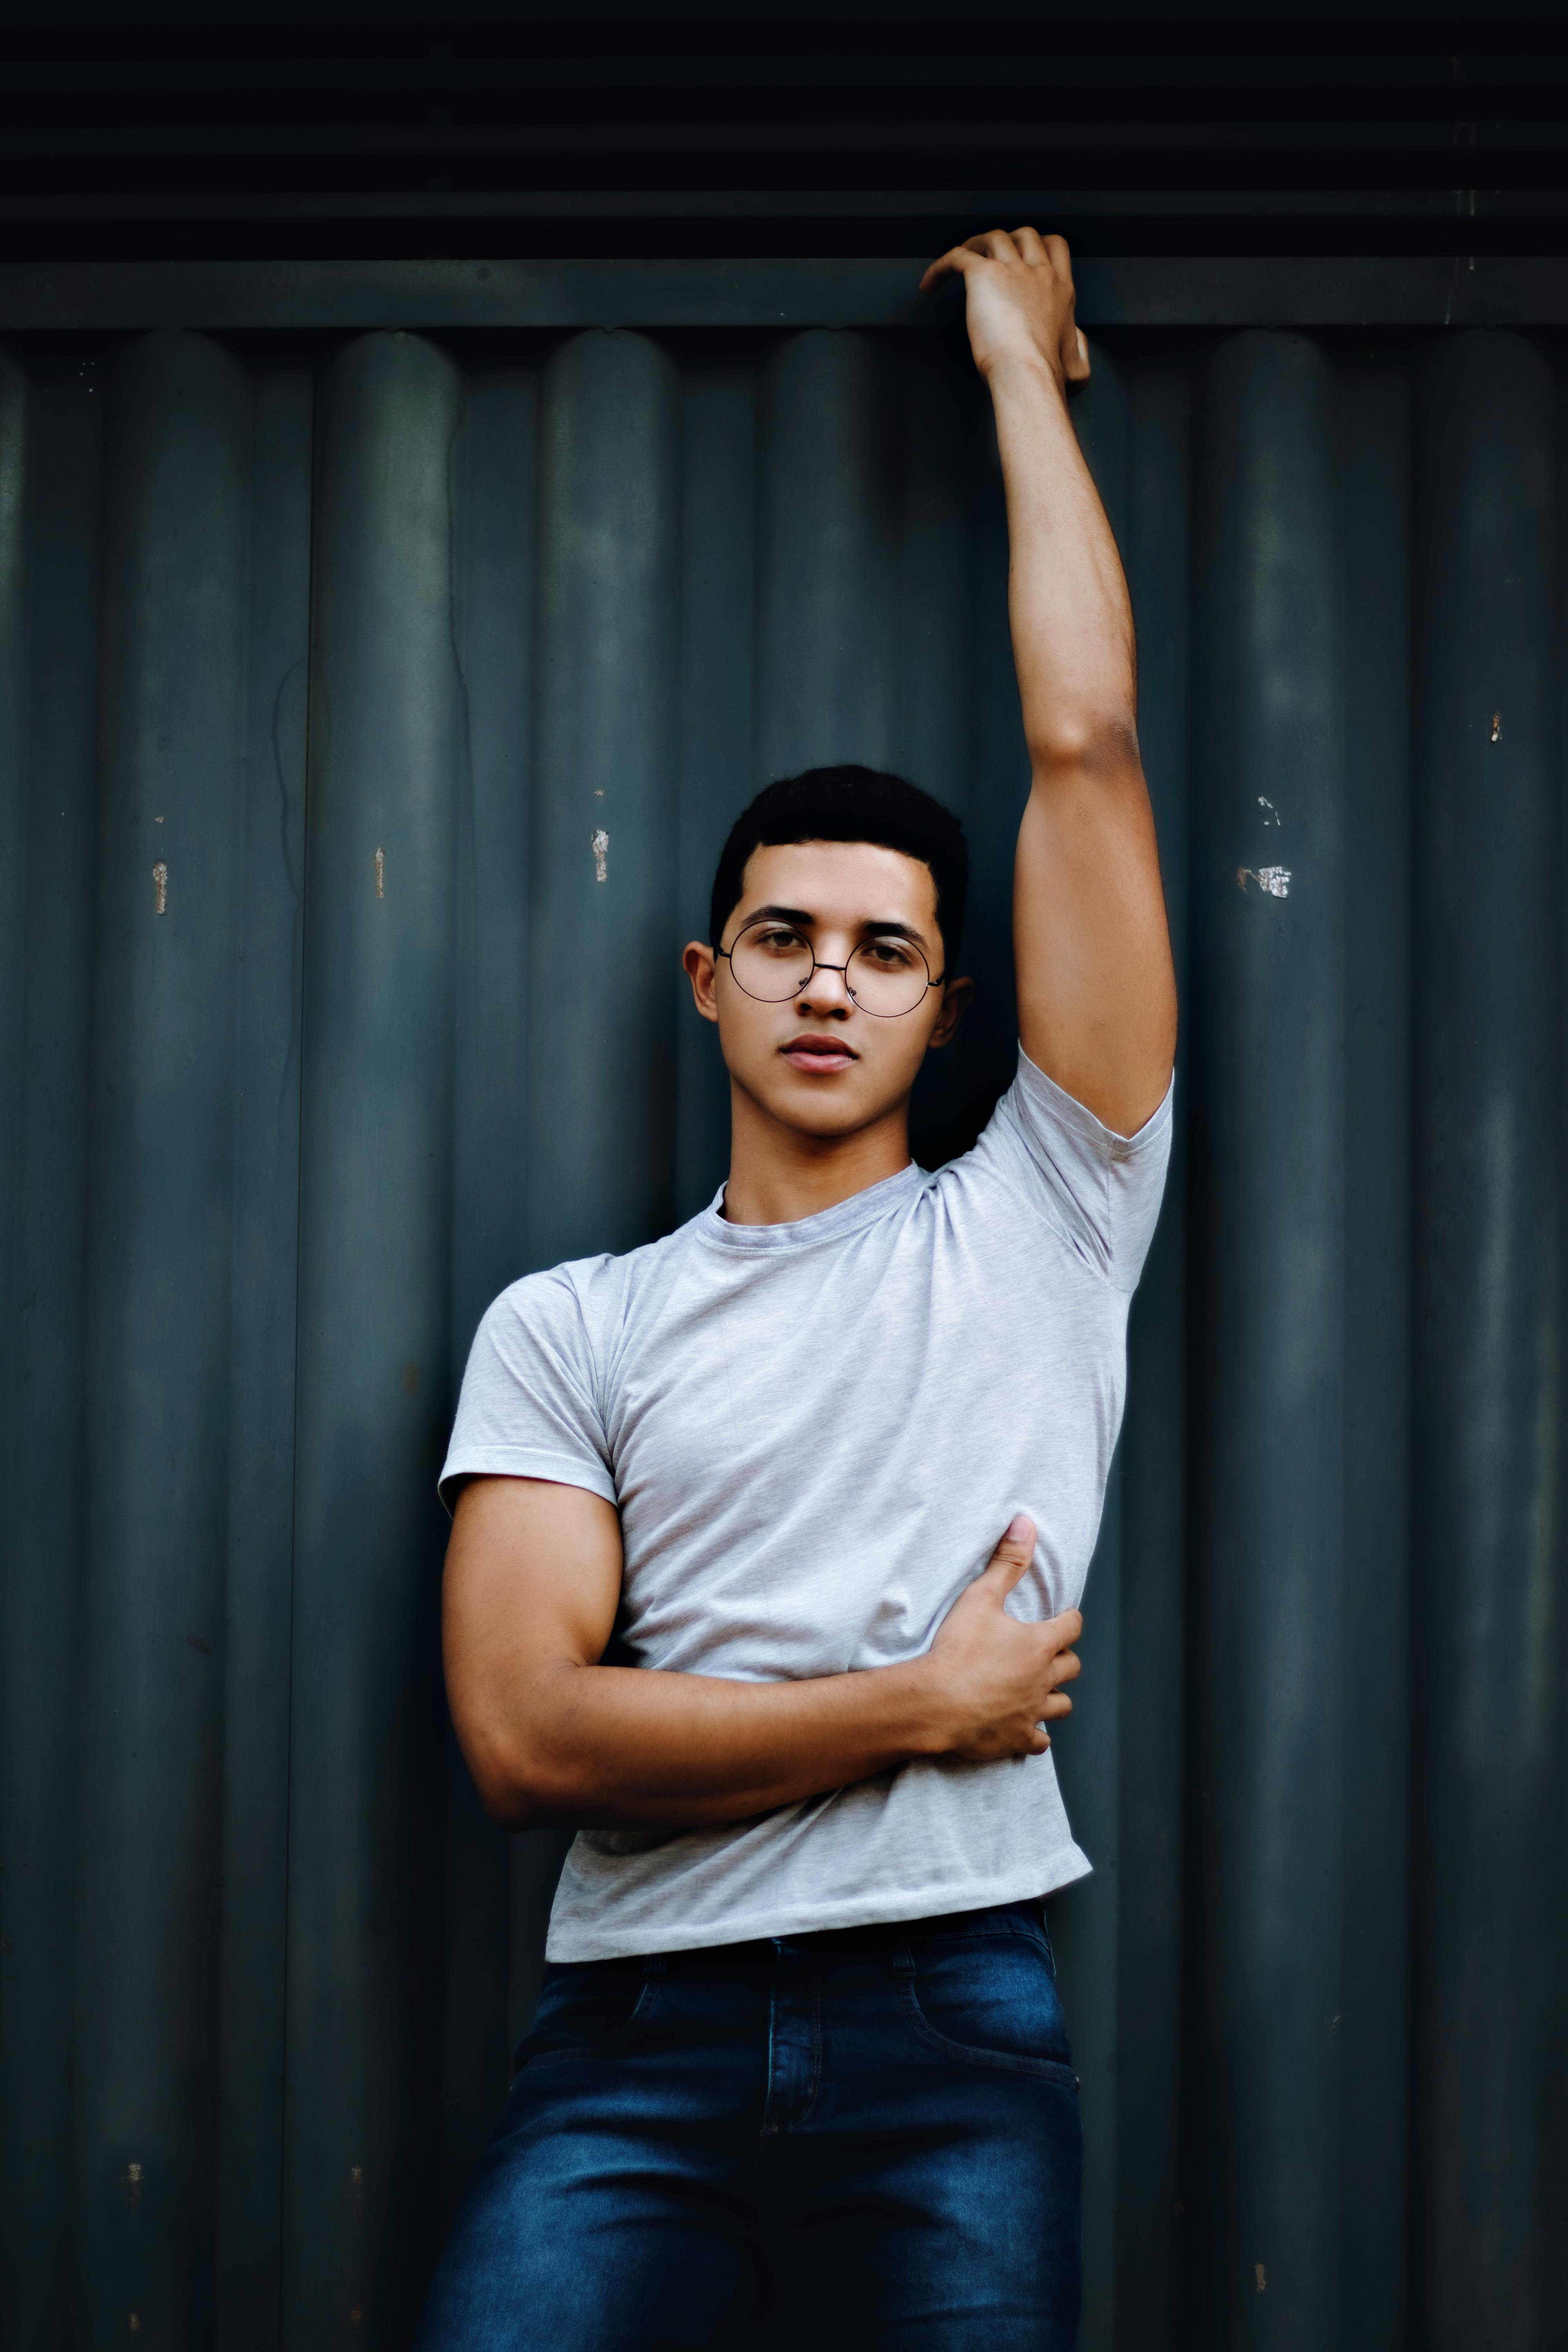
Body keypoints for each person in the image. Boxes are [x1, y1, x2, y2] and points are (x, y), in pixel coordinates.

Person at [418, 228, 1177, 2352]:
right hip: (630, 2033)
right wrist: (919, 1713)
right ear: (709, 980)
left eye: (887, 947)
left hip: (950, 2017)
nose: (828, 976)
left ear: (951, 1012)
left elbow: (1091, 743)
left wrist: (1022, 368)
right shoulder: (569, 1327)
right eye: (782, 936)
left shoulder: (1044, 1206)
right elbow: (522, 1730)